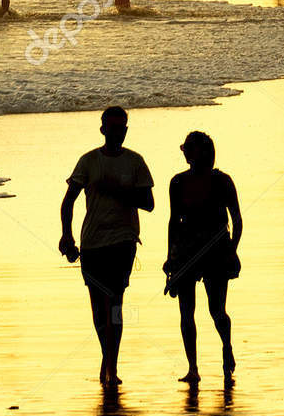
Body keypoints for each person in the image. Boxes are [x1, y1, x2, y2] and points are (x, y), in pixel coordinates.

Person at [59, 107, 155, 388]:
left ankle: (112, 366)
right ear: (102, 130)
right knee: (99, 310)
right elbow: (68, 202)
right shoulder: (88, 161)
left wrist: (121, 191)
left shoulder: (135, 162)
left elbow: (149, 204)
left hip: (123, 242)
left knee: (115, 302)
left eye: (121, 128)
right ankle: (107, 356)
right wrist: (67, 236)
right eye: (112, 128)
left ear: (126, 130)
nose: (117, 132)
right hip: (92, 243)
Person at [165, 131, 241, 382]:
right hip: (187, 250)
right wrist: (170, 256)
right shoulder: (177, 182)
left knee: (217, 310)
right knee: (186, 312)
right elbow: (173, 222)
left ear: (202, 152)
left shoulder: (223, 181)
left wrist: (232, 249)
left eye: (188, 148)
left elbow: (237, 221)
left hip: (216, 249)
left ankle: (226, 346)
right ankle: (193, 368)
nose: (185, 152)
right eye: (184, 147)